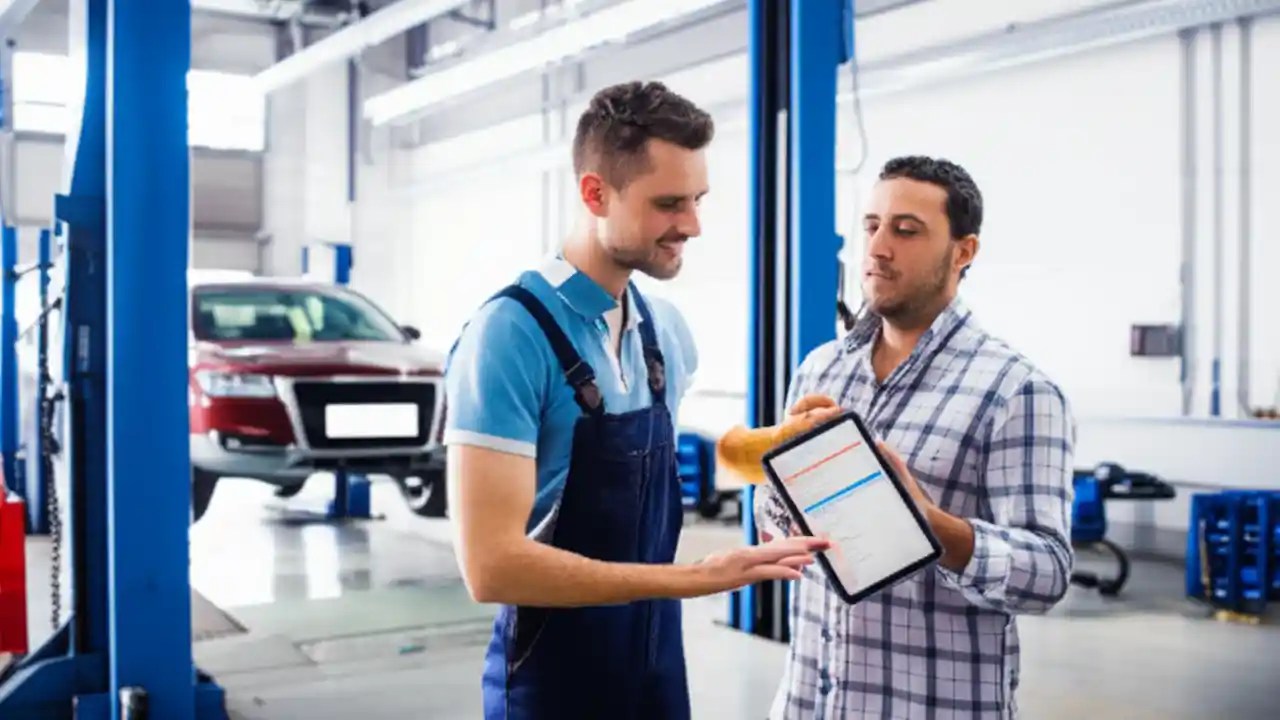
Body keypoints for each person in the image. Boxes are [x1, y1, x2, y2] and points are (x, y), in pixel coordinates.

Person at [442, 81, 830, 720]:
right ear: (596, 193)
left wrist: (774, 443)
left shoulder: (664, 330)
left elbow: (660, 458)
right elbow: (491, 566)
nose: (693, 225)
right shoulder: (509, 335)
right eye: (669, 203)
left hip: (655, 673)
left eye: (698, 200)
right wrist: (693, 578)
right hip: (553, 685)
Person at [756, 155, 1076, 719]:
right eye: (872, 225)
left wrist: (929, 525)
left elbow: (1048, 573)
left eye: (906, 231)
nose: (878, 248)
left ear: (964, 251)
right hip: (810, 702)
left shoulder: (1015, 391)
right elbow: (781, 527)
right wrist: (781, 483)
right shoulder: (820, 370)